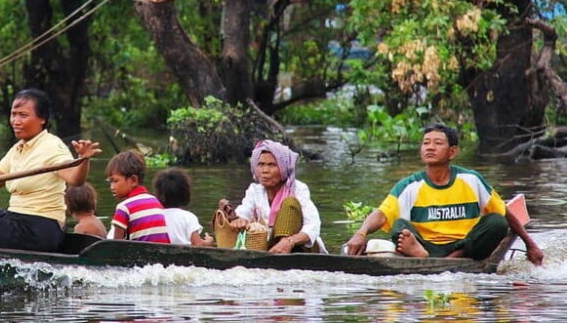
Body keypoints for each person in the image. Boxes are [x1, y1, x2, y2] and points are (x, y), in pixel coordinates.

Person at [345, 123, 544, 265]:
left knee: (497, 222)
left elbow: (505, 212)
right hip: (423, 246)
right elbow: (381, 214)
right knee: (399, 226)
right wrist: (361, 233)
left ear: (452, 152)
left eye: (438, 143)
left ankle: (447, 260)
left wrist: (530, 244)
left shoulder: (471, 180)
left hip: (464, 246)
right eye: (426, 143)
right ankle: (425, 256)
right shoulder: (409, 185)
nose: (430, 147)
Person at [0, 88, 101, 252]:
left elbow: (75, 179)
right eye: (13, 114)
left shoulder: (52, 146)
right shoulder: (18, 149)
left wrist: (83, 160)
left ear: (42, 119)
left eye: (23, 115)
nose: (16, 121)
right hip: (17, 221)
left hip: (39, 231)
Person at [225, 139, 326, 254]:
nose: (265, 170)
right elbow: (244, 211)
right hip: (269, 246)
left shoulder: (298, 189)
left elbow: (313, 225)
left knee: (290, 203)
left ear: (283, 168)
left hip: (300, 247)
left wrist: (289, 241)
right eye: (261, 164)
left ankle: (282, 247)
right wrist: (239, 220)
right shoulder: (255, 190)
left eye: (271, 165)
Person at [107, 150, 171, 243]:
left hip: (139, 251)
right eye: (110, 182)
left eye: (115, 181)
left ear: (133, 180)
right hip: (161, 251)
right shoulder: (156, 201)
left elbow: (116, 245)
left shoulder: (124, 207)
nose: (112, 187)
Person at [153, 168, 214, 246]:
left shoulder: (154, 217)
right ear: (184, 193)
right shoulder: (188, 217)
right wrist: (208, 242)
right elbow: (198, 245)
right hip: (184, 254)